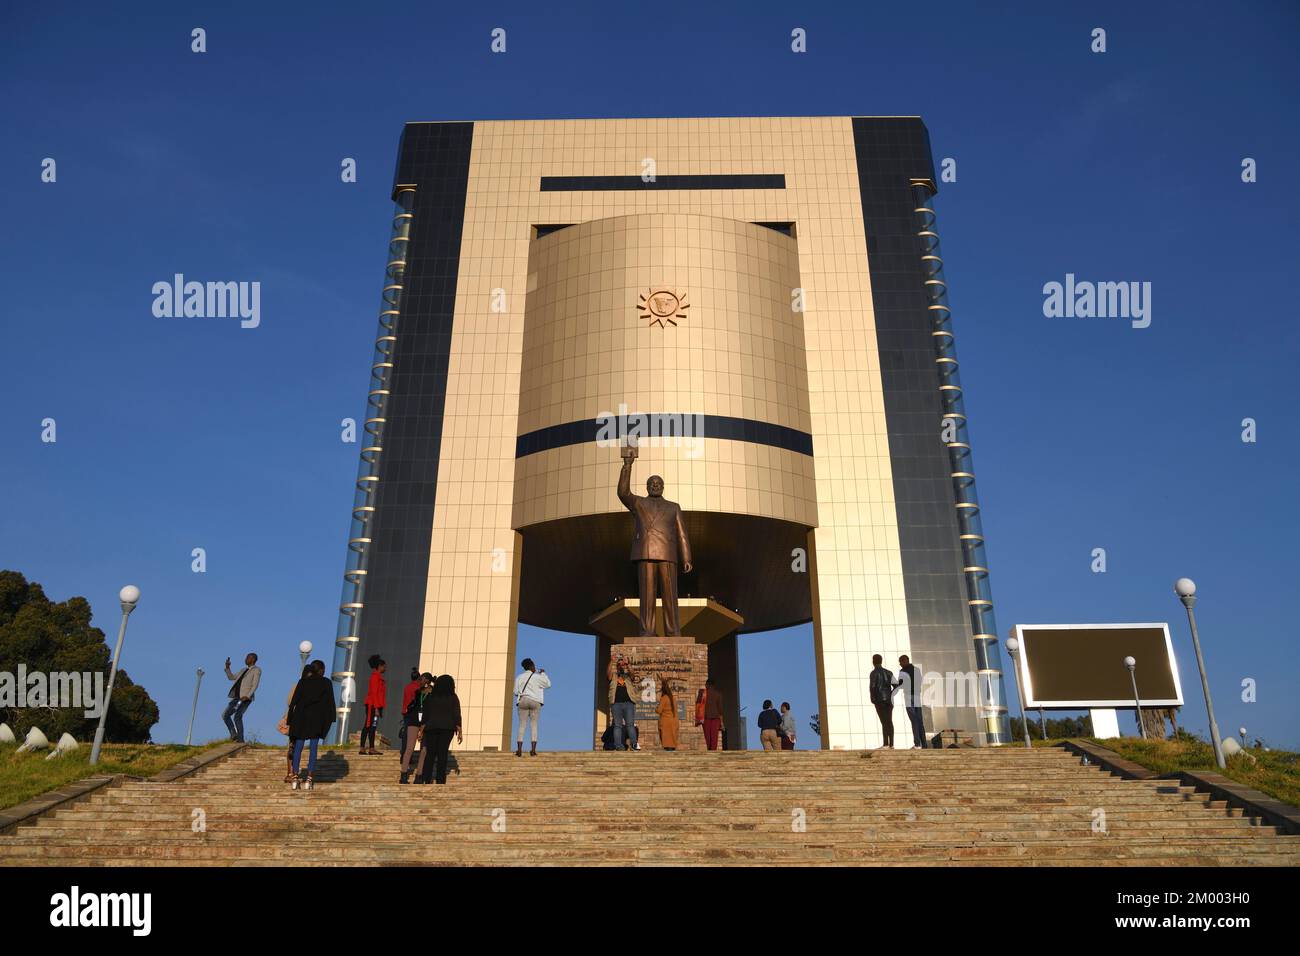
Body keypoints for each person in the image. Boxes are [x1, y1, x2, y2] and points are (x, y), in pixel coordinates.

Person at [286, 660, 336, 790]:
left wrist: (290, 720)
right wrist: (331, 719)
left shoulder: (303, 682)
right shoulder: (326, 683)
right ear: (320, 670)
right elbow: (330, 702)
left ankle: (295, 777)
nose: (324, 671)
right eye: (323, 669)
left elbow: (294, 702)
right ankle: (309, 778)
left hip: (301, 718)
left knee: (298, 747)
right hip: (317, 720)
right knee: (313, 748)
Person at [415, 674, 462, 785]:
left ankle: (426, 778)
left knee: (430, 753)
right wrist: (460, 731)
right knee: (442, 753)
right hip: (447, 728)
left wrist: (421, 730)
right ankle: (441, 780)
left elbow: (426, 715)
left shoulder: (431, 696)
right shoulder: (453, 697)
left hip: (431, 728)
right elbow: (457, 714)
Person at [399, 673, 433, 784]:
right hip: (414, 720)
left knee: (424, 750)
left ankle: (419, 775)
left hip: (426, 722)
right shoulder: (417, 692)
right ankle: (403, 775)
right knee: (409, 748)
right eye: (421, 678)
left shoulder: (432, 695)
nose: (421, 681)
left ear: (428, 681)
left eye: (423, 679)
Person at [514, 658, 551, 757]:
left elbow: (515, 692)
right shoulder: (537, 677)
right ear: (531, 667)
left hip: (522, 701)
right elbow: (548, 684)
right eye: (534, 666)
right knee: (533, 725)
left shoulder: (519, 677)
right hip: (535, 702)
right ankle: (533, 750)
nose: (535, 667)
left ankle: (519, 750)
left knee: (522, 725)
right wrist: (543, 673)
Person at [281, 665, 313, 778]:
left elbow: (289, 701)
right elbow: (290, 701)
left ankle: (291, 772)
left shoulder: (298, 685)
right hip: (298, 719)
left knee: (293, 746)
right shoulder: (302, 685)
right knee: (293, 746)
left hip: (297, 719)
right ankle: (290, 772)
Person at [222, 652, 261, 743]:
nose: (245, 659)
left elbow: (255, 685)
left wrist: (247, 696)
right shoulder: (243, 670)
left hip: (245, 698)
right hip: (237, 698)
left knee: (237, 716)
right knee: (225, 715)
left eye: (248, 657)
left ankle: (240, 739)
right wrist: (228, 668)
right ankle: (234, 734)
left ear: (253, 659)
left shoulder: (256, 670)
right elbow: (231, 677)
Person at [608, 653, 641, 751]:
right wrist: (612, 661)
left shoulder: (627, 677)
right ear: (617, 667)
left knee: (630, 725)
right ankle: (619, 746)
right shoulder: (613, 676)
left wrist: (628, 664)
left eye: (622, 665)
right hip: (616, 704)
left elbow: (633, 675)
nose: (621, 666)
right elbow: (608, 674)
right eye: (620, 665)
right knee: (618, 725)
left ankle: (634, 745)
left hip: (628, 703)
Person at [897, 654, 927, 749]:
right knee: (919, 721)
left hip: (909, 696)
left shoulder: (902, 671)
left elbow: (900, 684)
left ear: (904, 661)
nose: (900, 664)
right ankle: (924, 744)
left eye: (900, 662)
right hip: (917, 696)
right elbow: (920, 681)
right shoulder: (917, 670)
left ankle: (917, 744)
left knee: (914, 720)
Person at [359, 654, 387, 754]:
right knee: (368, 725)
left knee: (373, 726)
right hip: (372, 705)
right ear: (379, 666)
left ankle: (371, 748)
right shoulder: (375, 677)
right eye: (384, 666)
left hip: (376, 706)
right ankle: (362, 747)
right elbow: (374, 693)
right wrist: (376, 708)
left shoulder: (378, 677)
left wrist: (379, 708)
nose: (385, 668)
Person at [869, 654, 897, 749]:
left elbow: (872, 687)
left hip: (879, 700)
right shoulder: (889, 672)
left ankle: (885, 744)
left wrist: (872, 698)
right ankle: (891, 744)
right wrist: (891, 693)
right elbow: (896, 685)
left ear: (873, 661)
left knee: (884, 722)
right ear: (881, 661)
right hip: (889, 700)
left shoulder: (873, 673)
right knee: (889, 721)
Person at [398, 667, 421, 762]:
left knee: (405, 736)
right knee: (412, 737)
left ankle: (403, 756)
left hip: (406, 713)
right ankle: (408, 757)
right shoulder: (418, 688)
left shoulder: (407, 687)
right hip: (414, 714)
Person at [699, 679, 725, 751]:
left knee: (707, 736)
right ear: (714, 685)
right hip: (716, 718)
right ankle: (713, 751)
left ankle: (709, 750)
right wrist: (722, 722)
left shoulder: (702, 693)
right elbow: (720, 710)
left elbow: (698, 705)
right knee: (714, 736)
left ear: (707, 685)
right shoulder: (718, 694)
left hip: (706, 717)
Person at [656, 673, 679, 751]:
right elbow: (675, 711)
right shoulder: (673, 698)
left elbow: (659, 710)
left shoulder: (664, 698)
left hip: (665, 722)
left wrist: (656, 708)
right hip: (673, 721)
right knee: (672, 744)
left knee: (667, 744)